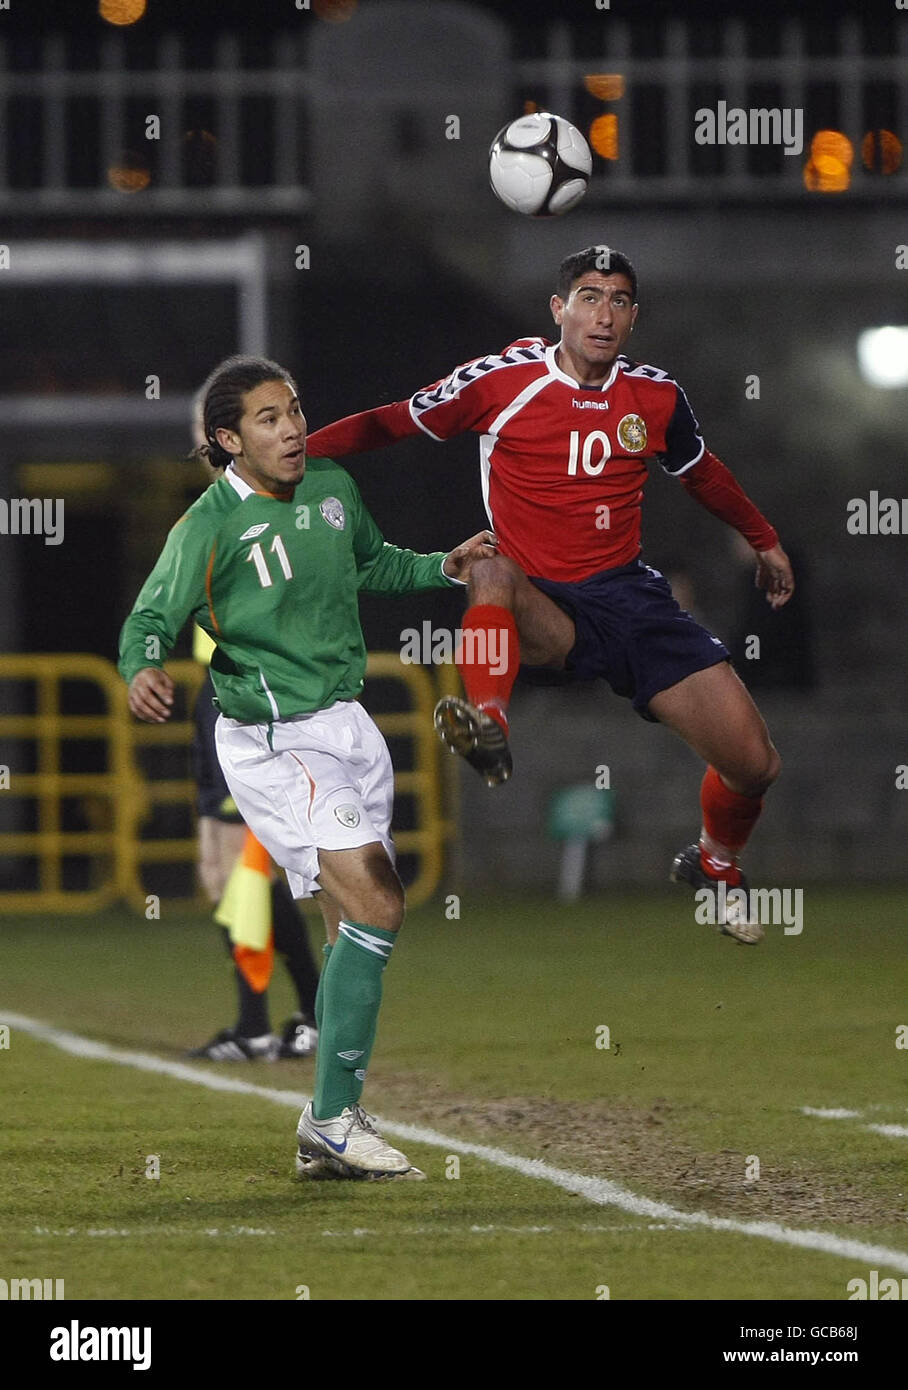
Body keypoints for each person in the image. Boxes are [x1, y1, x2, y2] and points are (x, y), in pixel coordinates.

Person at [306, 247, 796, 946]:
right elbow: (392, 420)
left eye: (620, 301)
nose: (605, 314)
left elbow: (701, 472)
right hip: (543, 601)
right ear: (557, 309)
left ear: (633, 318)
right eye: (590, 297)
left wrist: (763, 538)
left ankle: (716, 865)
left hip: (630, 598)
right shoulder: (502, 381)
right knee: (488, 568)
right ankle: (490, 727)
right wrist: (296, 456)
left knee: (755, 764)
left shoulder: (656, 397)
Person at [119, 354, 496, 1179]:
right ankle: (331, 1119)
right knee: (380, 899)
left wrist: (442, 565)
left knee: (351, 928)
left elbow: (369, 561)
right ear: (226, 439)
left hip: (348, 730)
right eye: (267, 418)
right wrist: (143, 665)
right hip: (273, 737)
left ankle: (328, 1126)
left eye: (293, 409)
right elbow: (151, 617)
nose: (292, 428)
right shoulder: (207, 528)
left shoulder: (330, 485)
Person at [188, 627, 322, 1063]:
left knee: (245, 889)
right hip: (220, 668)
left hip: (238, 668)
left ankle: (258, 1028)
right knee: (224, 885)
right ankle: (309, 1013)